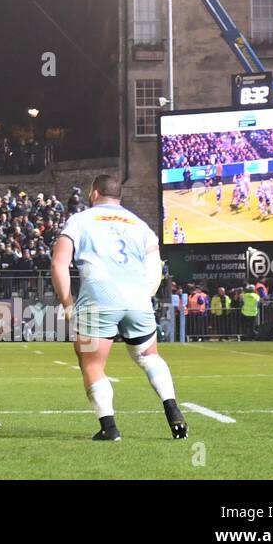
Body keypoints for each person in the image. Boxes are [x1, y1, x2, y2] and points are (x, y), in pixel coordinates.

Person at [49, 174, 188, 442]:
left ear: (94, 194)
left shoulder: (79, 220)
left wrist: (67, 304)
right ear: (119, 197)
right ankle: (172, 409)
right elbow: (154, 269)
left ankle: (109, 427)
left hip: (100, 298)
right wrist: (142, 297)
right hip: (137, 298)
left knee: (91, 362)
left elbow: (59, 264)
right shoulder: (140, 224)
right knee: (148, 357)